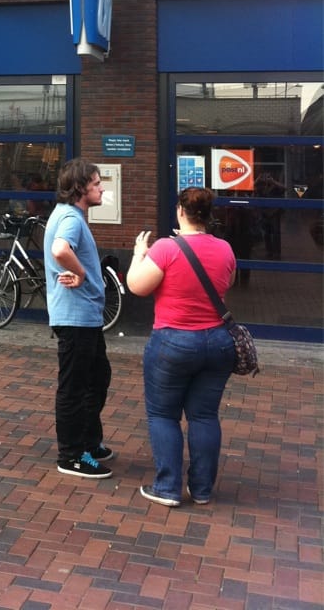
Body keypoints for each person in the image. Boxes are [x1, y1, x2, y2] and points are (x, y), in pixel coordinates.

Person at [127, 186, 236, 507]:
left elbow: (136, 286)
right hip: (217, 342)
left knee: (163, 414)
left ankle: (168, 488)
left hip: (172, 342)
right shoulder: (225, 249)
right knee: (204, 416)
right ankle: (202, 490)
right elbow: (225, 285)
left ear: (180, 212)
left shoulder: (165, 248)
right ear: (208, 215)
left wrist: (138, 253)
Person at [43, 158, 114, 479]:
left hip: (82, 316)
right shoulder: (71, 217)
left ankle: (88, 442)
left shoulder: (66, 214)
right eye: (97, 183)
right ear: (80, 188)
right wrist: (82, 273)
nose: (101, 188)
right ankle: (71, 456)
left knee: (97, 378)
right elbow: (60, 249)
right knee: (74, 387)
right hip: (75, 318)